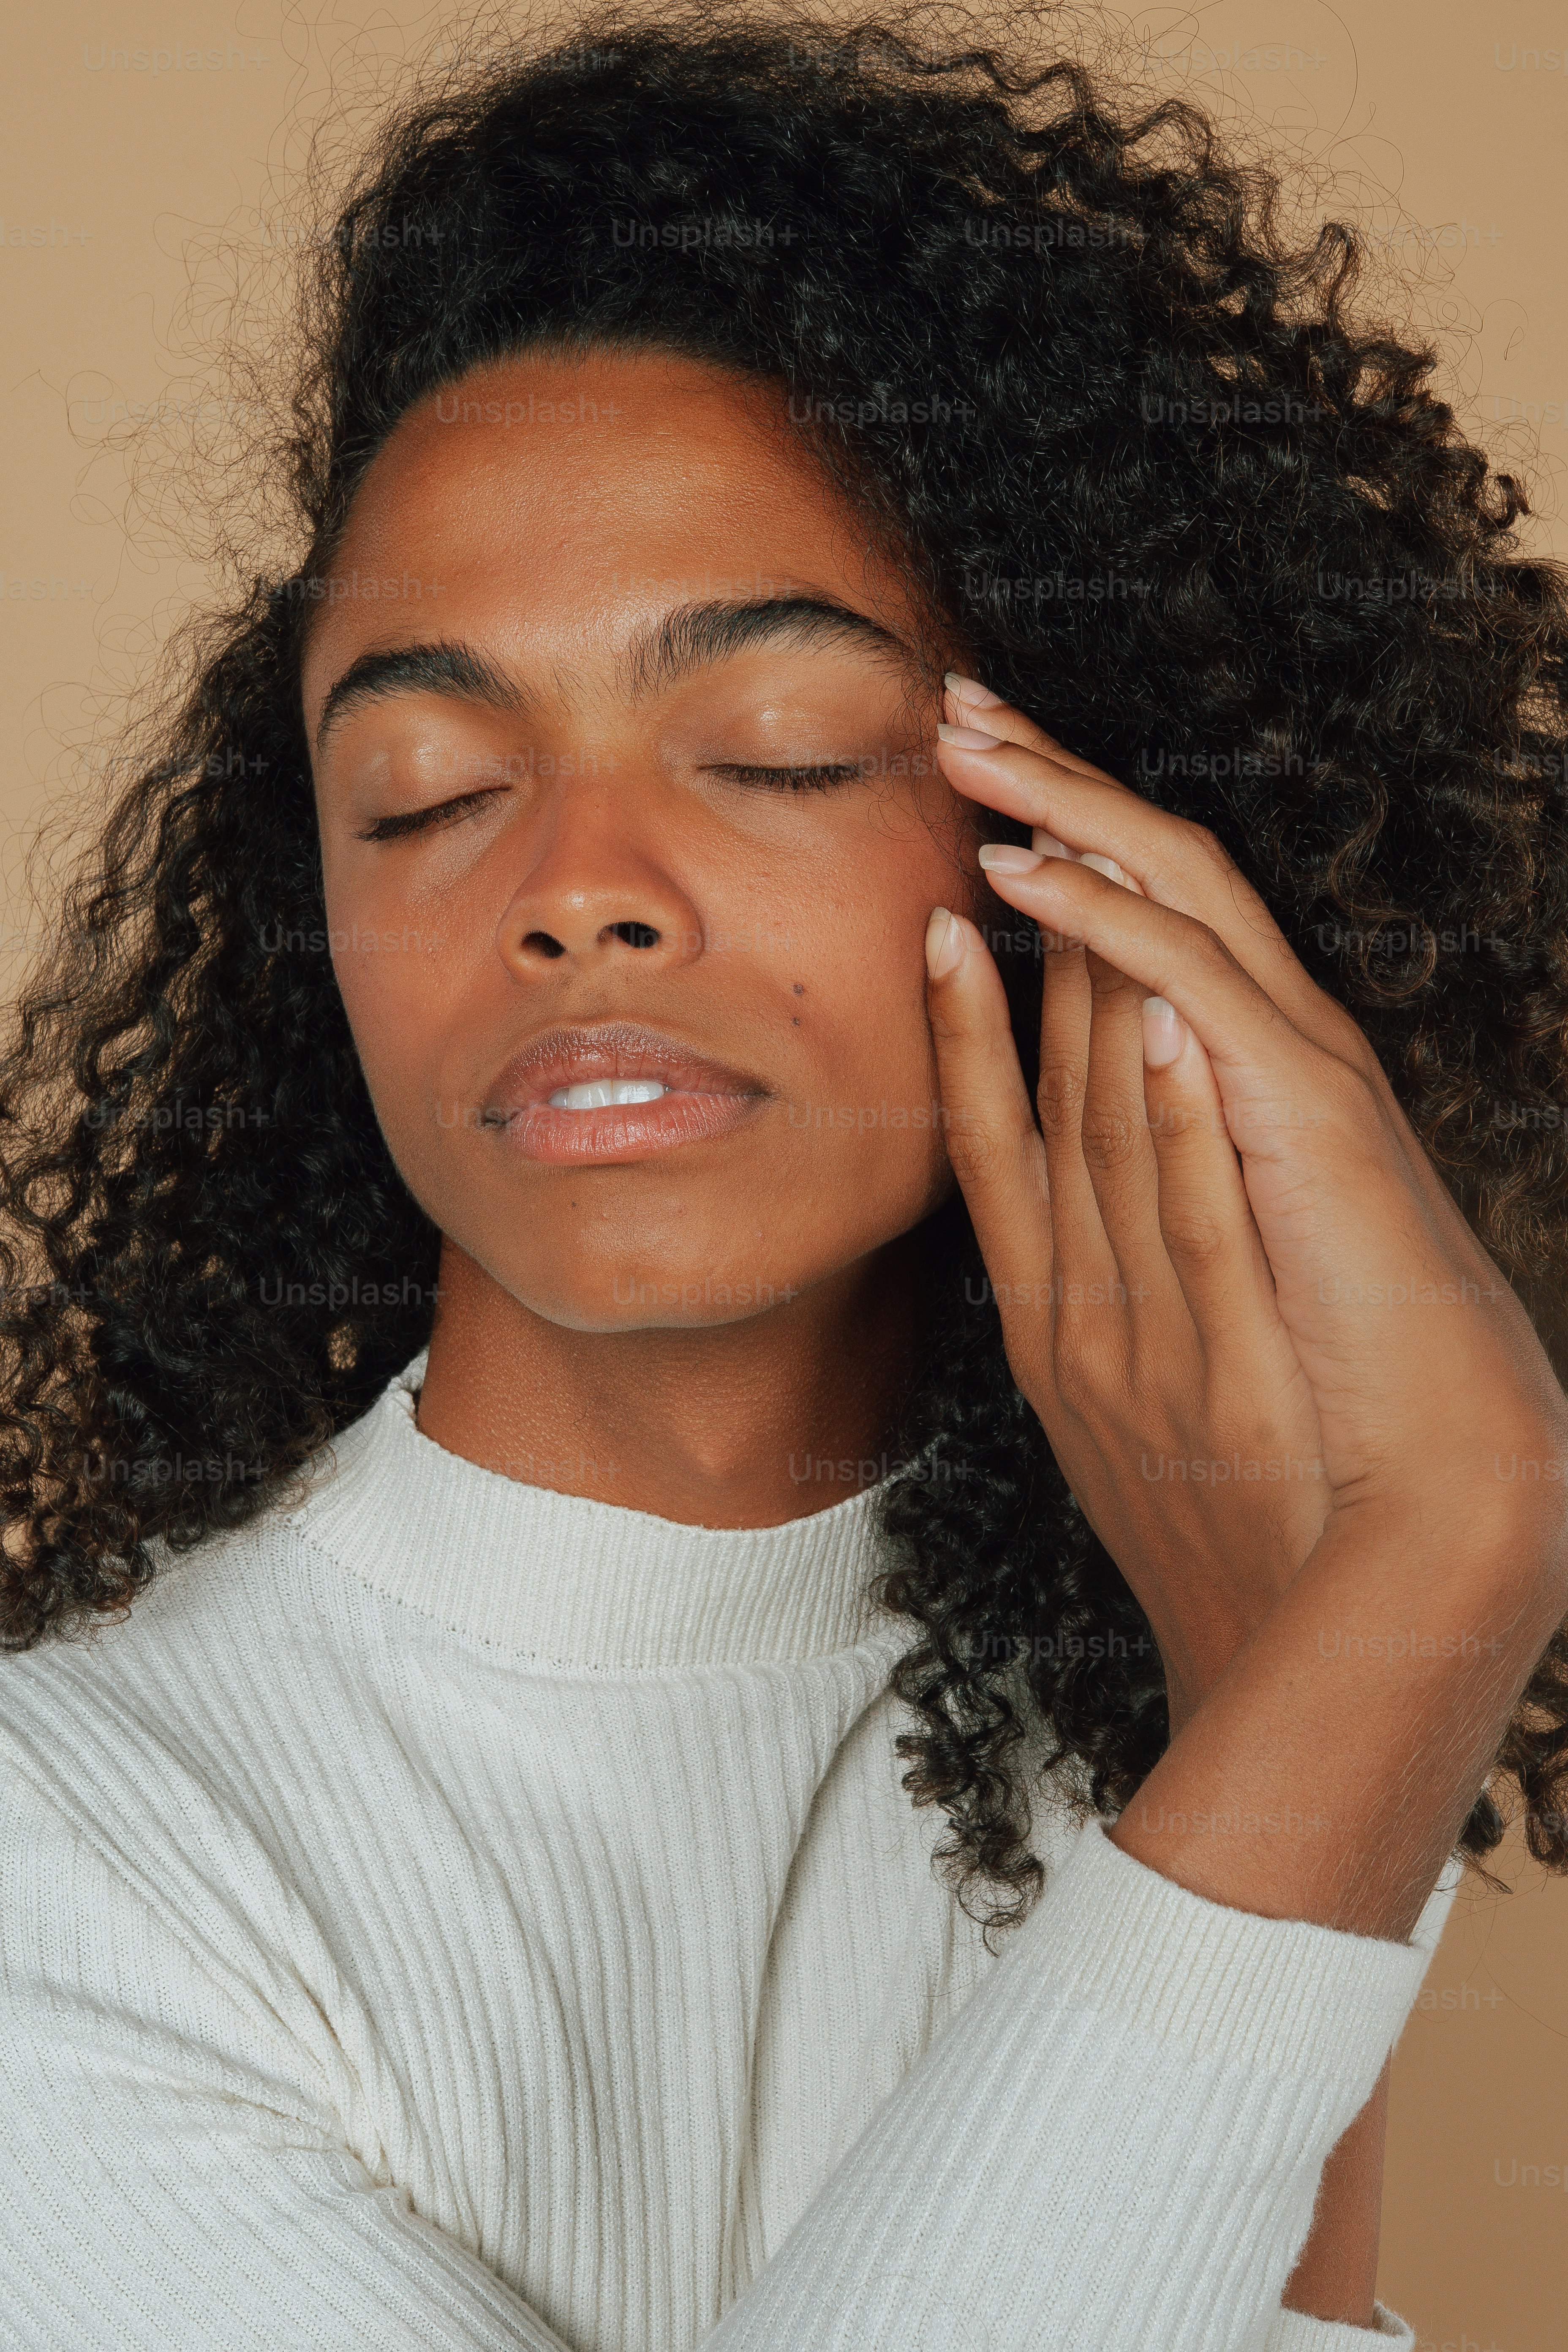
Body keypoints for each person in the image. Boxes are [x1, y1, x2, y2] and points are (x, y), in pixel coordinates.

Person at [4, 10, 1568, 2349]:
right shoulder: (72, 1855)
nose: (575, 889)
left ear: (1088, 850)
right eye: (425, 792)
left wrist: (1261, 1690)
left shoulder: (1225, 1684)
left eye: (776, 745)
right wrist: (1450, 1546)